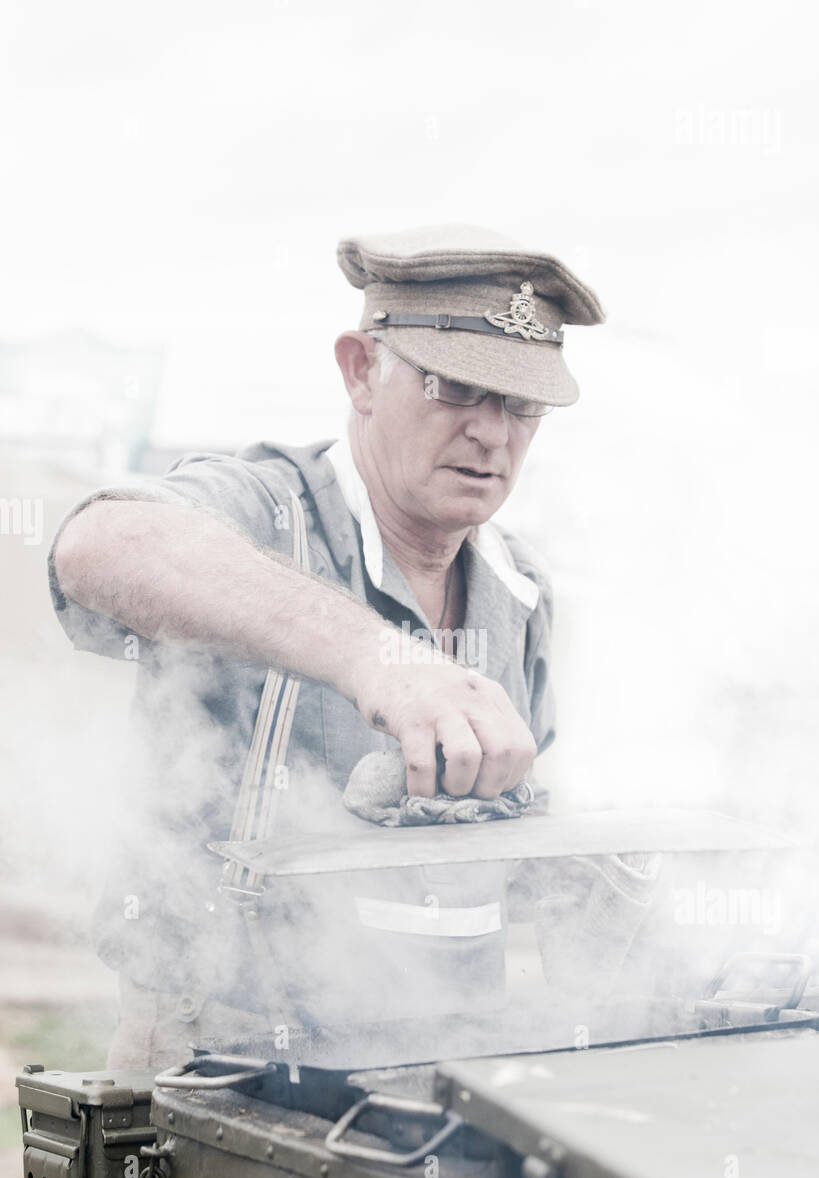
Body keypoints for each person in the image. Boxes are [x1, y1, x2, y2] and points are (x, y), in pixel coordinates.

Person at [49, 224, 621, 1069]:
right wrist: (375, 656)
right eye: (456, 386)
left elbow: (513, 840)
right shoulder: (262, 511)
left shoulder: (523, 590)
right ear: (361, 371)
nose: (492, 435)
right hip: (223, 1070)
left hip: (454, 1058)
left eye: (522, 404)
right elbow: (97, 545)